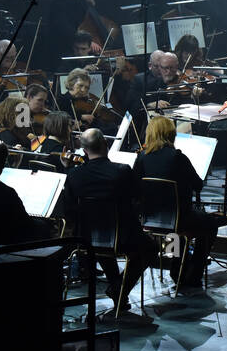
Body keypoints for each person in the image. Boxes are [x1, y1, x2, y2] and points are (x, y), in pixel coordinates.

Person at [64, 127, 151, 311]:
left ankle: (117, 288)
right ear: (106, 144)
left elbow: (69, 210)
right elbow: (139, 197)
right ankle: (119, 288)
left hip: (85, 240)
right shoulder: (121, 171)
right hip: (120, 237)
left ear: (84, 150)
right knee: (151, 247)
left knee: (103, 245)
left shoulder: (74, 174)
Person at [133, 115, 218, 288]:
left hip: (150, 219)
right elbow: (198, 185)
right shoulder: (178, 157)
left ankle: (177, 267)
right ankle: (191, 273)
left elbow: (134, 188)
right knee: (210, 225)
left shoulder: (142, 158)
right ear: (171, 134)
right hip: (178, 218)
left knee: (177, 225)